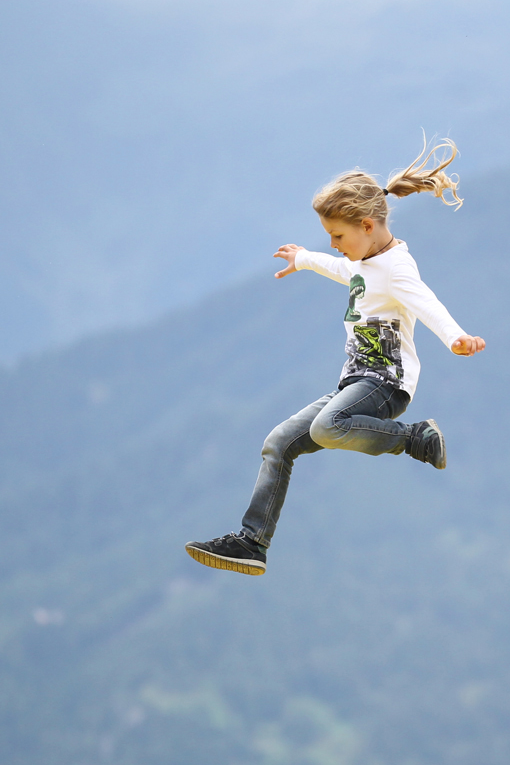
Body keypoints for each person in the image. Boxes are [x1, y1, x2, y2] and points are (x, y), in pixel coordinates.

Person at [185, 138, 485, 576]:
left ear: (367, 225)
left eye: (337, 236)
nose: (335, 244)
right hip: (355, 383)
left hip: (386, 384)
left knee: (327, 428)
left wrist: (456, 337)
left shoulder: (398, 268)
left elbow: (427, 303)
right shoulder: (365, 259)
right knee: (279, 443)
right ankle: (252, 541)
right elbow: (344, 269)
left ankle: (415, 438)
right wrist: (305, 259)